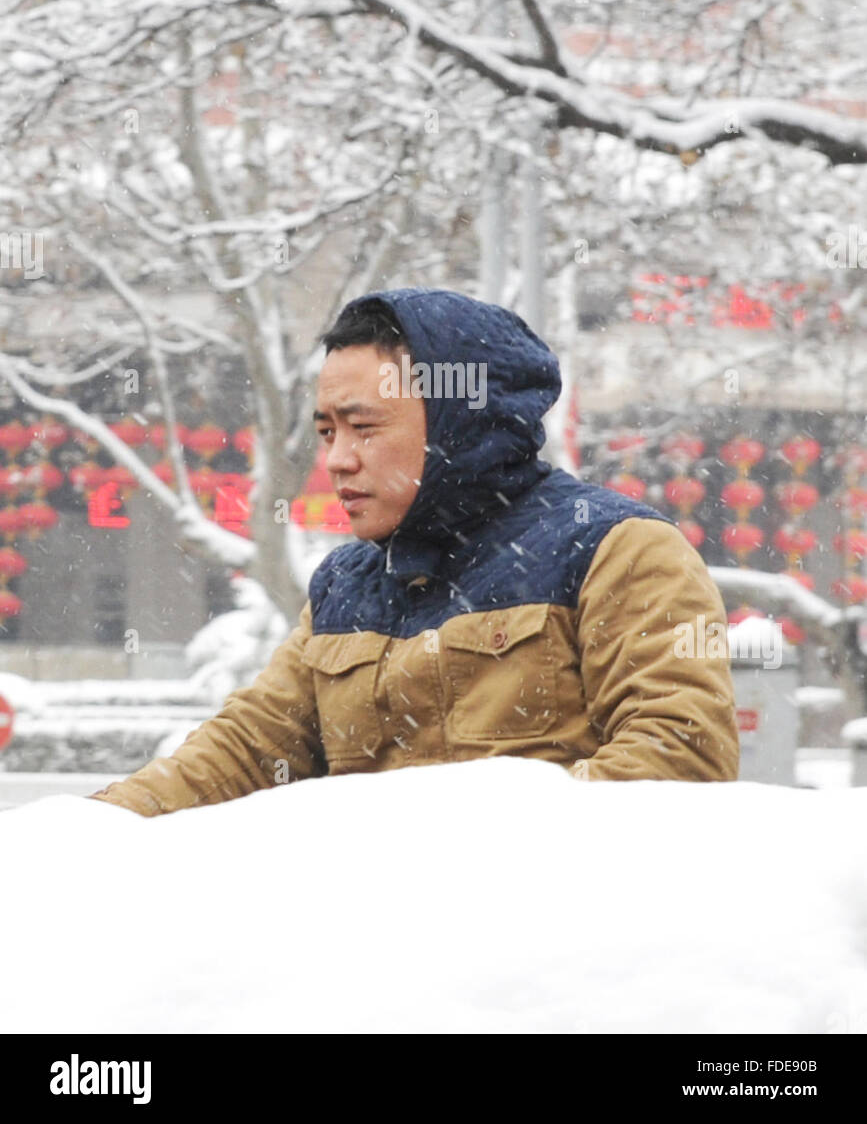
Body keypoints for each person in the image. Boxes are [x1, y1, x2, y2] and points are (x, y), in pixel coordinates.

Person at [89, 288, 738, 816]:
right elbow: (244, 751)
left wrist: (437, 865)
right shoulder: (345, 583)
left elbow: (675, 767)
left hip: (546, 956)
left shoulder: (614, 550)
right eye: (326, 431)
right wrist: (87, 832)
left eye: (364, 428)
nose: (337, 460)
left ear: (460, 420)